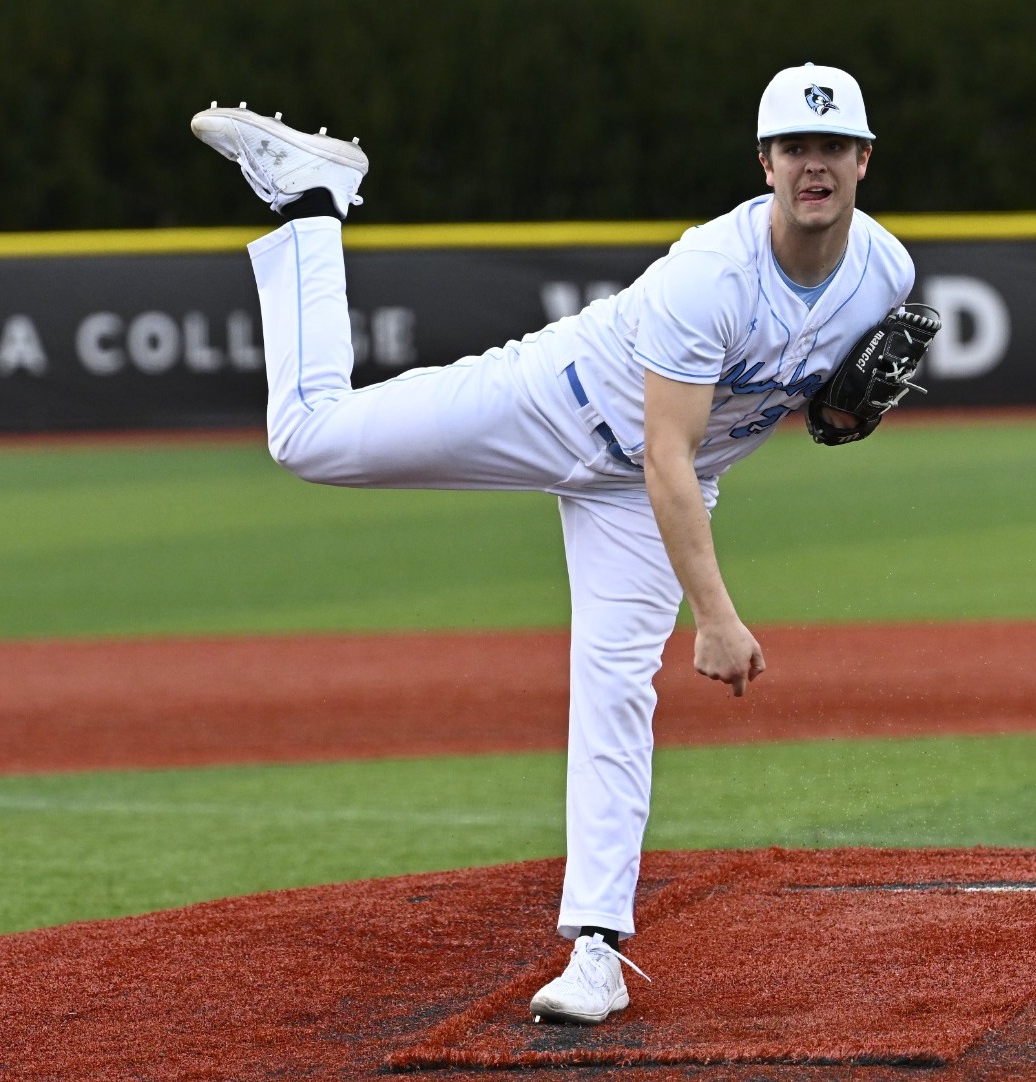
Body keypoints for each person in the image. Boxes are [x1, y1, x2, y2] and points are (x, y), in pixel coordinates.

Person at [190, 61, 915, 1025]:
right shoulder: (713, 274)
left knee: (615, 690)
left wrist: (838, 409)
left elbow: (796, 411)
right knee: (308, 440)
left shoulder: (887, 274)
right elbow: (666, 451)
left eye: (831, 148)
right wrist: (717, 615)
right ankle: (312, 198)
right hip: (556, 403)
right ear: (764, 162)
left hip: (650, 494)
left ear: (864, 160)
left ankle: (595, 954)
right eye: (794, 148)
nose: (812, 166)